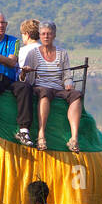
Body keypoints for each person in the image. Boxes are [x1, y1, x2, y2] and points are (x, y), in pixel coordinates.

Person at [23, 20, 84, 152]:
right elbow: (25, 78)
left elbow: (67, 74)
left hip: (58, 87)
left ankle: (74, 138)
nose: (46, 36)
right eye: (43, 34)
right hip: (41, 87)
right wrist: (24, 72)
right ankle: (41, 134)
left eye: (49, 34)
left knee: (76, 95)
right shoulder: (33, 53)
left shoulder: (62, 53)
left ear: (54, 35)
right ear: (39, 35)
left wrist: (68, 83)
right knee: (44, 94)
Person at [0, 11, 35, 147]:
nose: (0, 25)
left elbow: (12, 62)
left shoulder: (14, 41)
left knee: (25, 87)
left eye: (3, 23)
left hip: (8, 79)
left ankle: (24, 129)